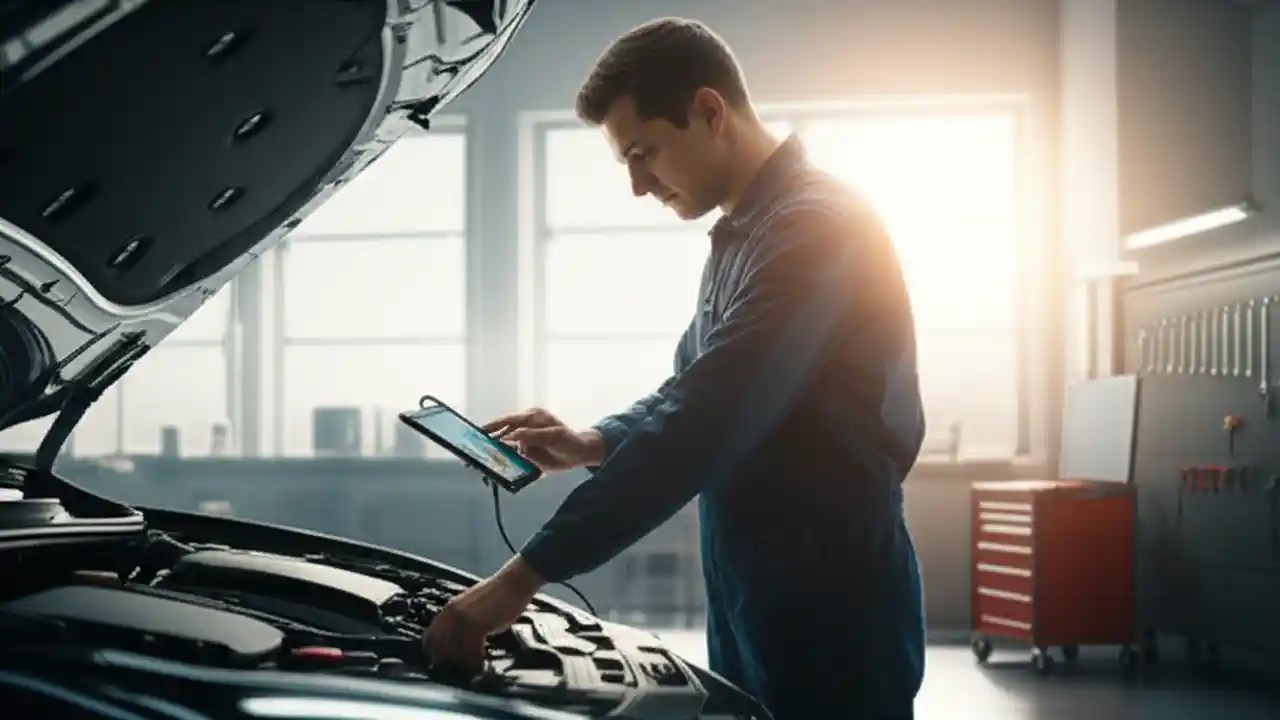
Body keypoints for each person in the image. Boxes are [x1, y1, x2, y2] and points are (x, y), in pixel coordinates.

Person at [423, 17, 927, 719]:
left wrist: (521, 579)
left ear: (709, 111)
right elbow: (692, 383)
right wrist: (593, 441)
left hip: (830, 592)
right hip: (754, 579)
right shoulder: (743, 233)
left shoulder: (816, 227)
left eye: (643, 152)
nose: (636, 185)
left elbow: (708, 415)